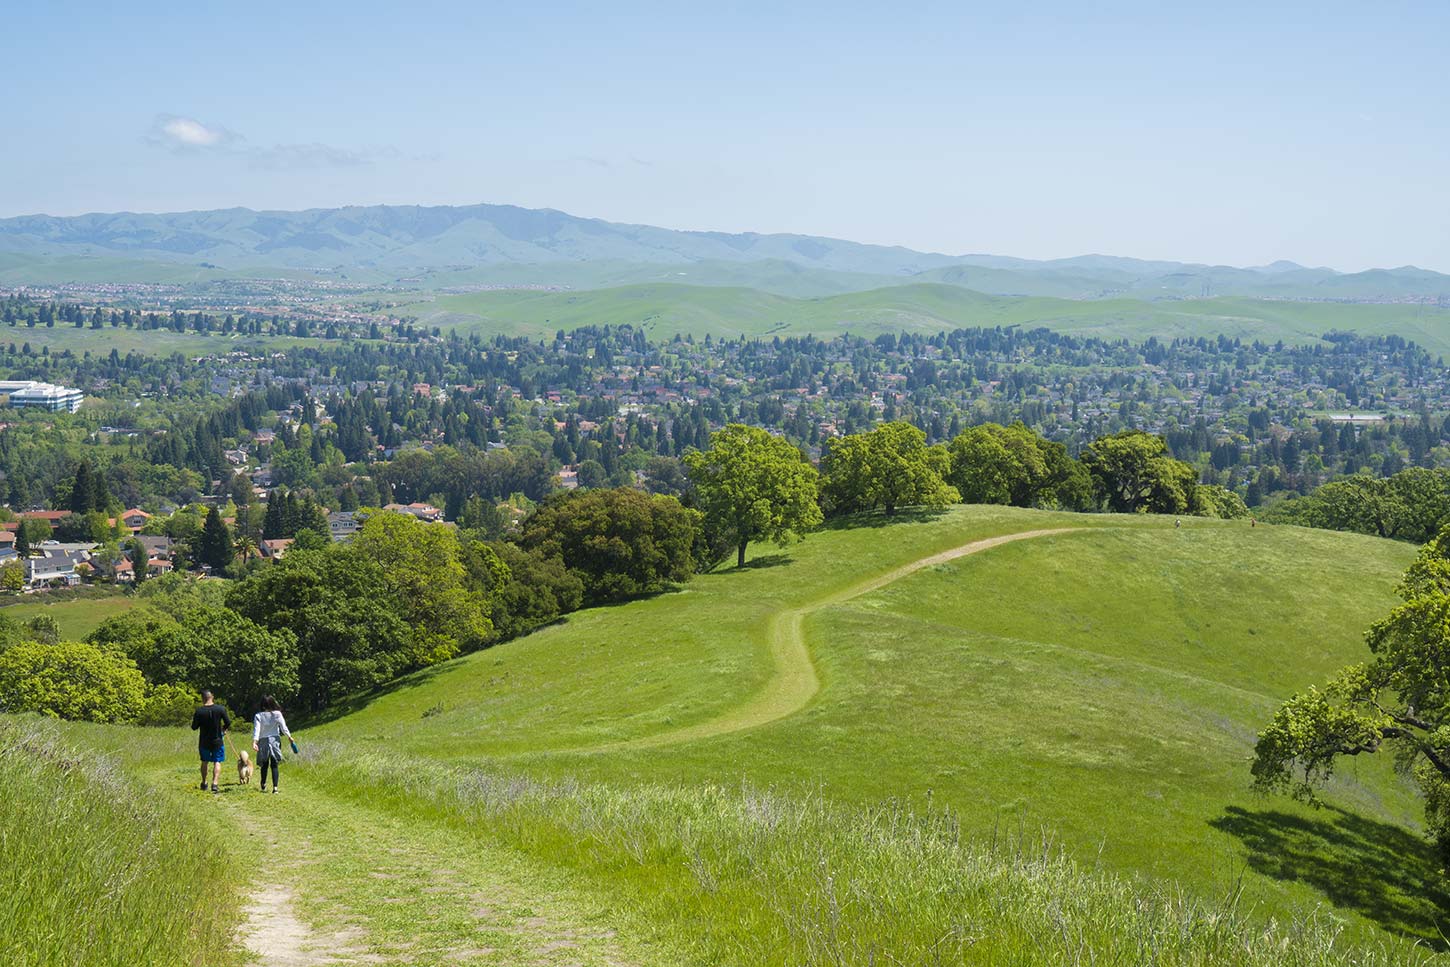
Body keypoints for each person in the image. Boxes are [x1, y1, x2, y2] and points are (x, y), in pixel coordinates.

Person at [190, 690, 231, 794]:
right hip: (217, 740)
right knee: (217, 761)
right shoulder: (220, 709)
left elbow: (194, 727)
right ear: (212, 697)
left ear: (202, 698)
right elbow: (228, 722)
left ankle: (204, 783)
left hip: (204, 741)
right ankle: (215, 784)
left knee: (205, 761)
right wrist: (223, 729)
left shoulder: (199, 711)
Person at [252, 695, 292, 794]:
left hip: (263, 740)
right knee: (274, 764)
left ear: (262, 705)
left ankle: (263, 784)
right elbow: (283, 727)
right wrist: (289, 736)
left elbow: (256, 730)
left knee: (264, 764)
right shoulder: (277, 714)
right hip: (275, 739)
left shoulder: (258, 715)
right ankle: (275, 788)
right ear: (273, 703)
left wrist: (255, 741)